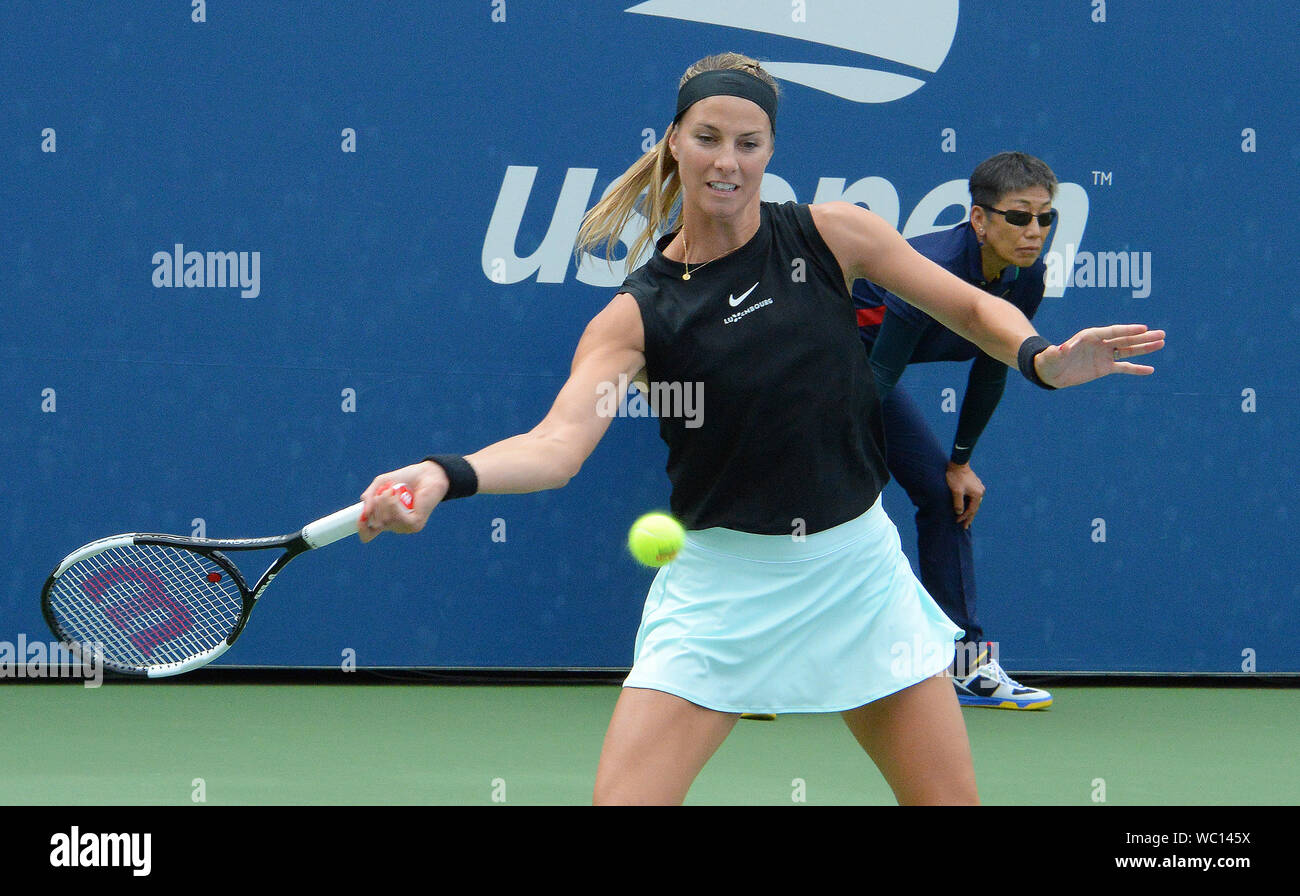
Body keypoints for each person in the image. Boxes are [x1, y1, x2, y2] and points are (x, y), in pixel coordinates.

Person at [356, 53, 1164, 805]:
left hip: (856, 573)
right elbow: (555, 448)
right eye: (707, 138)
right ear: (674, 142)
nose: (727, 160)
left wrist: (1043, 362)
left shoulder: (833, 235)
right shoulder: (639, 312)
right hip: (721, 588)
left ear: (771, 149)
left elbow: (969, 305)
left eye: (748, 141)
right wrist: (443, 474)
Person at [852, 151, 1061, 710]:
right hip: (823, 363)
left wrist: (960, 461)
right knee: (810, 504)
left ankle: (969, 666)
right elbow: (876, 376)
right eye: (1018, 217)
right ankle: (758, 663)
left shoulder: (1025, 277)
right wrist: (840, 462)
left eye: (1045, 217)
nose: (1034, 231)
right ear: (979, 220)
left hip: (869, 376)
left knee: (947, 498)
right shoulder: (934, 271)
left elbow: (994, 367)